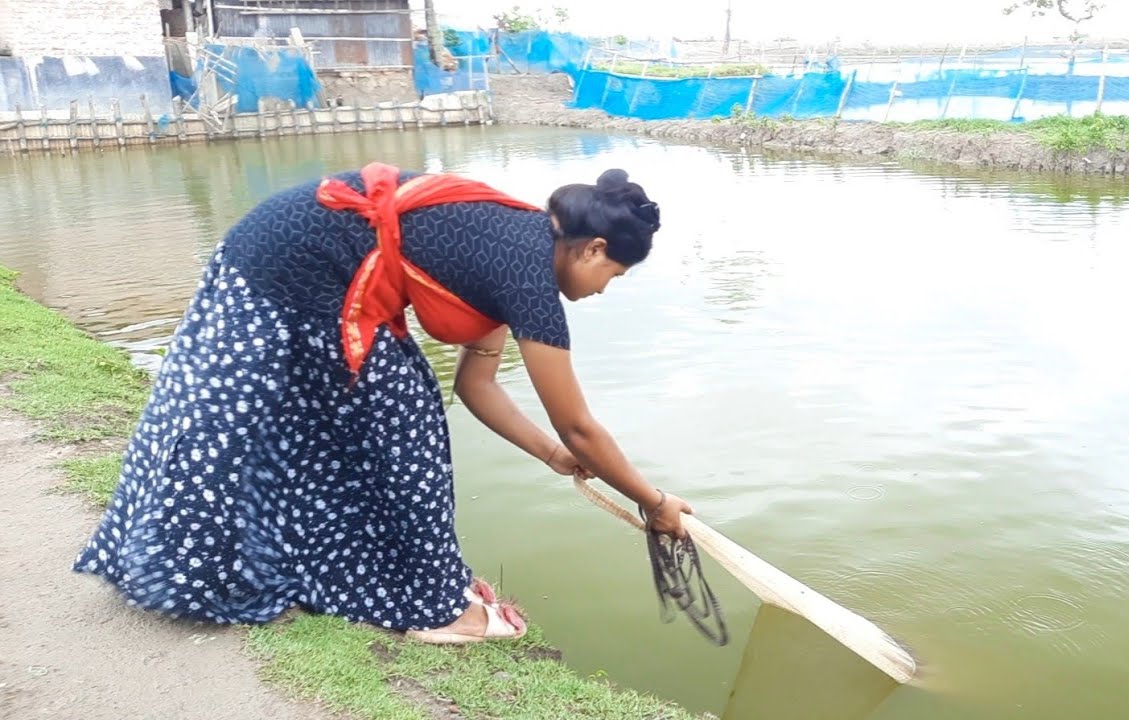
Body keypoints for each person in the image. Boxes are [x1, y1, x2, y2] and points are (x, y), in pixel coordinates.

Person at [72, 161, 694, 644]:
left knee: (370, 418)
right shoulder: (529, 272)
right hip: (288, 266)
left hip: (308, 266)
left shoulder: (520, 248)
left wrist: (551, 455)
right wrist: (654, 502)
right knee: (403, 417)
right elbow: (582, 427)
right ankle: (432, 607)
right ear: (590, 250)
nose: (604, 289)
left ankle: (380, 578)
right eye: (613, 275)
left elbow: (477, 387)